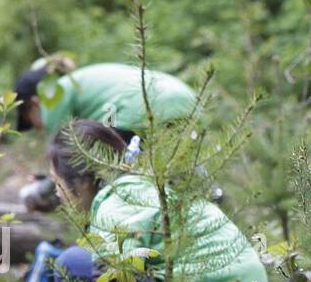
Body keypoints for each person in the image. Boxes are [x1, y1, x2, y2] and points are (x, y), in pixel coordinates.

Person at [43, 120, 268, 282]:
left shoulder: (116, 203)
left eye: (57, 182)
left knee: (70, 264)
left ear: (82, 182)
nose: (58, 194)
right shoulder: (146, 187)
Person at [15, 61, 198, 211]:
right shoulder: (78, 81)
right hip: (186, 99)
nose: (37, 128)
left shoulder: (55, 94)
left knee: (116, 182)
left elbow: (67, 160)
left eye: (30, 121)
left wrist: (39, 193)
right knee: (174, 178)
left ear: (35, 103)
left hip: (139, 109)